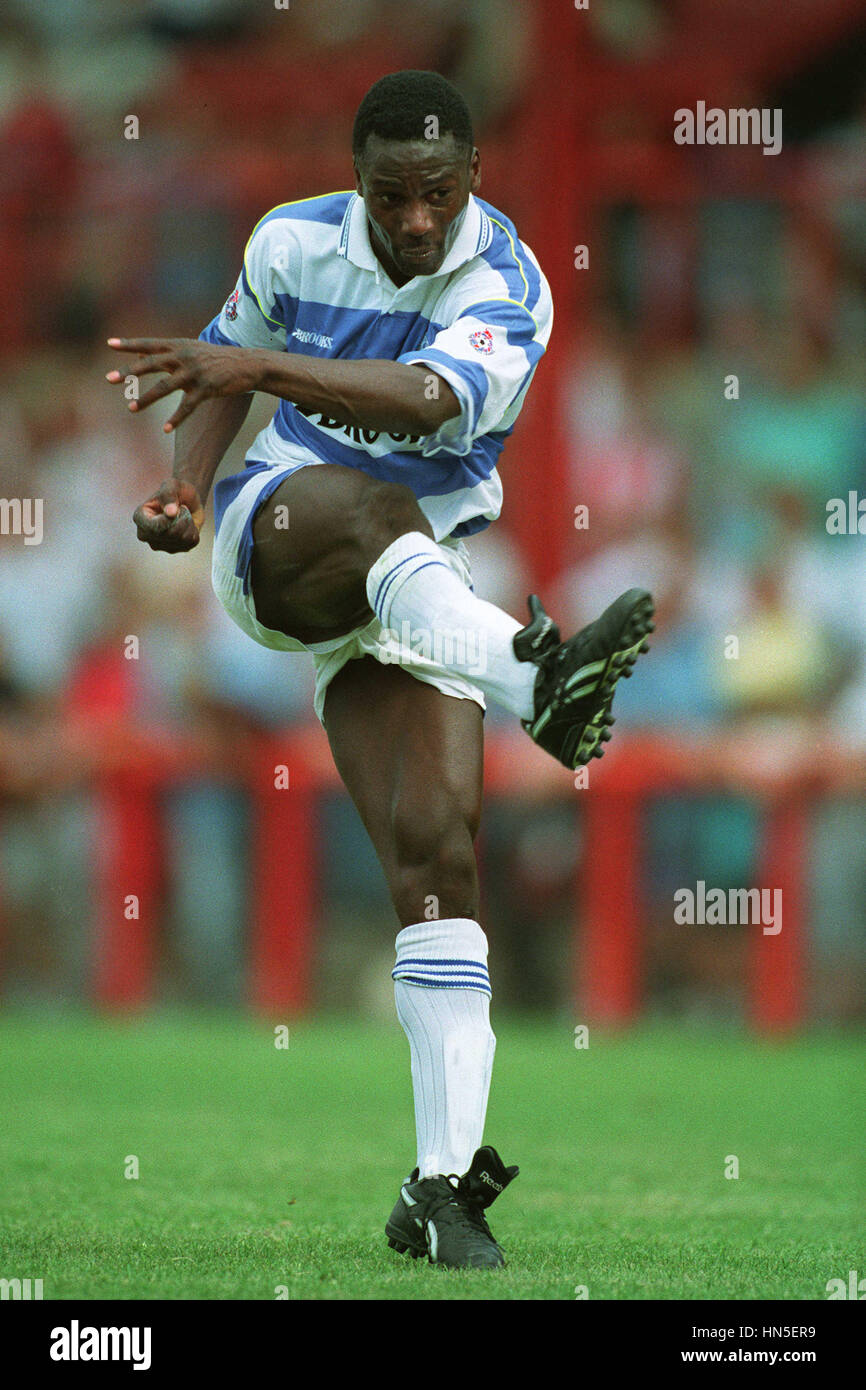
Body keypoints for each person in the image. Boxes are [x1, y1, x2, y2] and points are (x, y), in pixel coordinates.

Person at [107, 69, 653, 1269]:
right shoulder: (290, 245)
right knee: (365, 506)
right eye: (392, 195)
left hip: (422, 596)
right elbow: (216, 365)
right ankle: (533, 688)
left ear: (473, 181)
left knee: (438, 848)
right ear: (355, 179)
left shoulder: (508, 281)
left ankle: (441, 1188)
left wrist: (254, 373)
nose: (416, 221)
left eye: (438, 196)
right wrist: (187, 487)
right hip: (286, 541)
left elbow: (420, 401)